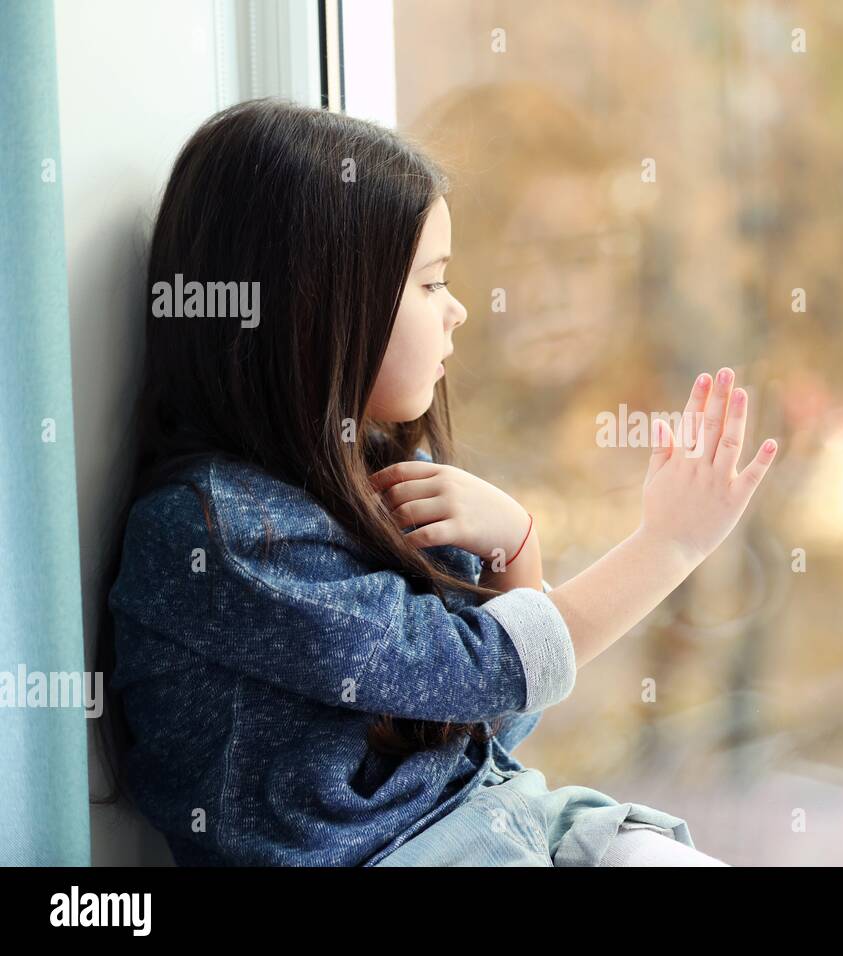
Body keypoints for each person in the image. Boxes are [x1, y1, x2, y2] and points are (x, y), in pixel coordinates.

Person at [100, 98, 777, 867]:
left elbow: (489, 724)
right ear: (314, 308)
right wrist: (667, 546)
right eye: (429, 286)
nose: (457, 312)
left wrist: (513, 550)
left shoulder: (379, 480)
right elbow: (478, 672)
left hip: (499, 821)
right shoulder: (218, 536)